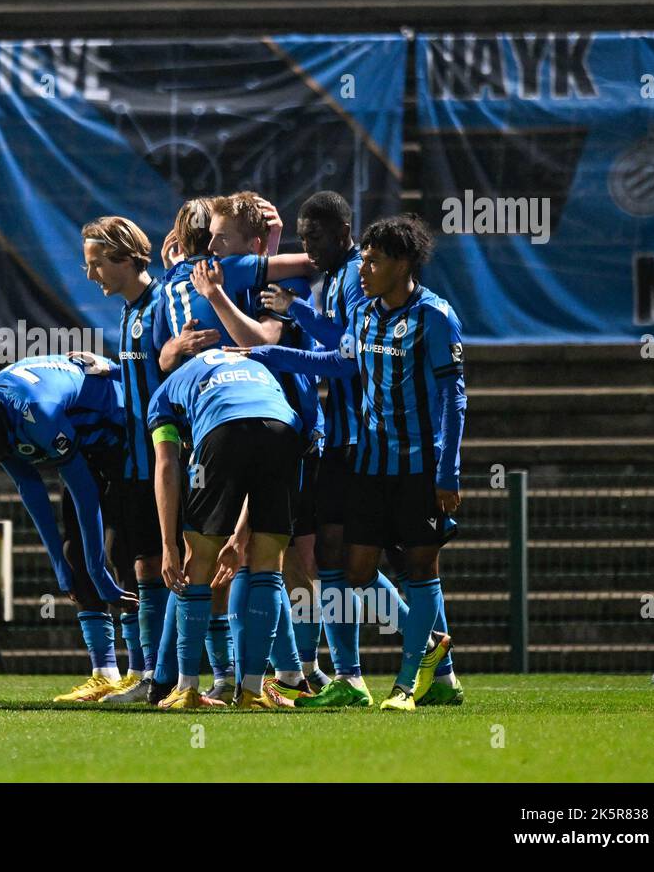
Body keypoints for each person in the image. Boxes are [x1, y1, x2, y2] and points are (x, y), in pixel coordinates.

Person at [236, 215, 467, 711]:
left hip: (420, 468)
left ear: (402, 264)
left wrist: (447, 472)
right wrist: (271, 354)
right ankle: (430, 653)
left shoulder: (435, 317)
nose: (364, 267)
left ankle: (408, 686)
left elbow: (453, 399)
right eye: (362, 257)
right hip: (369, 464)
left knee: (420, 568)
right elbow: (339, 364)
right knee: (354, 572)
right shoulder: (364, 315)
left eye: (375, 259)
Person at [0, 355, 138, 702]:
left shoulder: (36, 412)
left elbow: (85, 490)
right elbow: (30, 488)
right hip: (81, 444)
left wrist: (97, 569)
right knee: (73, 554)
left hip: (118, 430)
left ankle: (140, 671)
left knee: (120, 550)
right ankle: (104, 672)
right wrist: (61, 567)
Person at [147, 349, 303, 711]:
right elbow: (257, 447)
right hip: (283, 431)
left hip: (222, 432)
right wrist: (240, 536)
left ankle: (186, 689)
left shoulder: (164, 394)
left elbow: (167, 467)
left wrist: (169, 545)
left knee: (197, 559)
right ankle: (251, 691)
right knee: (268, 564)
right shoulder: (254, 368)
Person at [78, 217, 168, 704]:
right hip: (134, 463)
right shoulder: (130, 313)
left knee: (175, 566)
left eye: (96, 264)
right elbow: (144, 370)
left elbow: (173, 371)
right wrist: (109, 367)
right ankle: (146, 674)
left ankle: (219, 676)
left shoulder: (161, 308)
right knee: (138, 564)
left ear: (127, 259)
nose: (91, 274)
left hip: (166, 461)